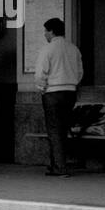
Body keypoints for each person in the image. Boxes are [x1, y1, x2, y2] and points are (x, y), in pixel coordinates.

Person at [34, 17, 83, 177]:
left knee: (54, 131)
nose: (44, 34)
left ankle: (60, 168)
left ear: (52, 31)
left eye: (46, 31)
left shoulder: (47, 50)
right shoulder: (73, 49)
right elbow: (80, 72)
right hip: (70, 92)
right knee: (63, 129)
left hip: (53, 93)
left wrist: (41, 88)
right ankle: (56, 164)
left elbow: (41, 73)